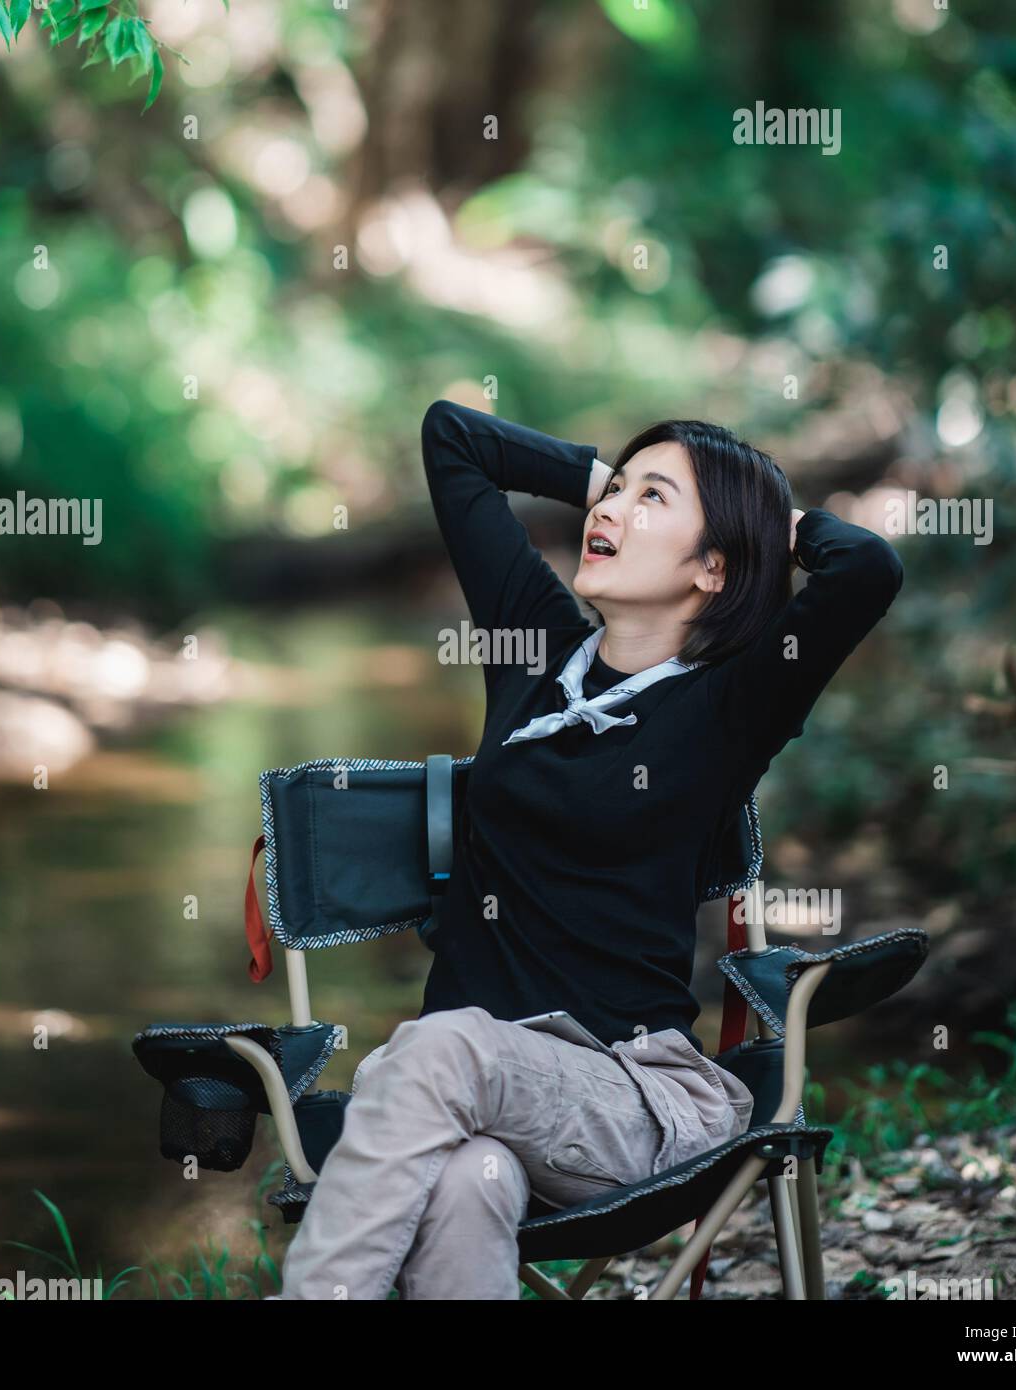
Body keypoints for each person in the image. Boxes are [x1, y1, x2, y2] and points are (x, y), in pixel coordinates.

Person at [278, 397, 905, 1299]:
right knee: (468, 1180)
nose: (609, 511)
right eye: (614, 492)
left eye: (652, 498)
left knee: (441, 1047)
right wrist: (597, 478)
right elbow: (452, 439)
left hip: (631, 1100)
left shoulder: (733, 702)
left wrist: (773, 520)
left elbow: (868, 567)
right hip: (480, 1110)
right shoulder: (536, 647)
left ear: (713, 568)